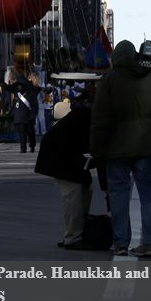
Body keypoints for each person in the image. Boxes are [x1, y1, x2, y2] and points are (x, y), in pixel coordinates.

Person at [90, 40, 151, 258]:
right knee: (149, 193)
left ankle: (121, 243)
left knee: (118, 194)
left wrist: (97, 150)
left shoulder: (109, 81)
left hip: (117, 149)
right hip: (145, 147)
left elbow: (100, 120)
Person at [34, 92, 96, 249]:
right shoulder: (89, 116)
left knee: (82, 190)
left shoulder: (87, 113)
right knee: (73, 195)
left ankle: (77, 233)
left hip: (65, 153)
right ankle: (73, 237)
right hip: (59, 155)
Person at [9, 75, 39, 153]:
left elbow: (35, 105)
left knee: (30, 133)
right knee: (22, 134)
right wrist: (12, 113)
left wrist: (33, 115)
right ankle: (23, 148)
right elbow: (14, 105)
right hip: (19, 117)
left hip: (28, 117)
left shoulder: (30, 93)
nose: (19, 87)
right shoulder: (16, 94)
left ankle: (32, 145)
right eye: (18, 85)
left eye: (21, 85)